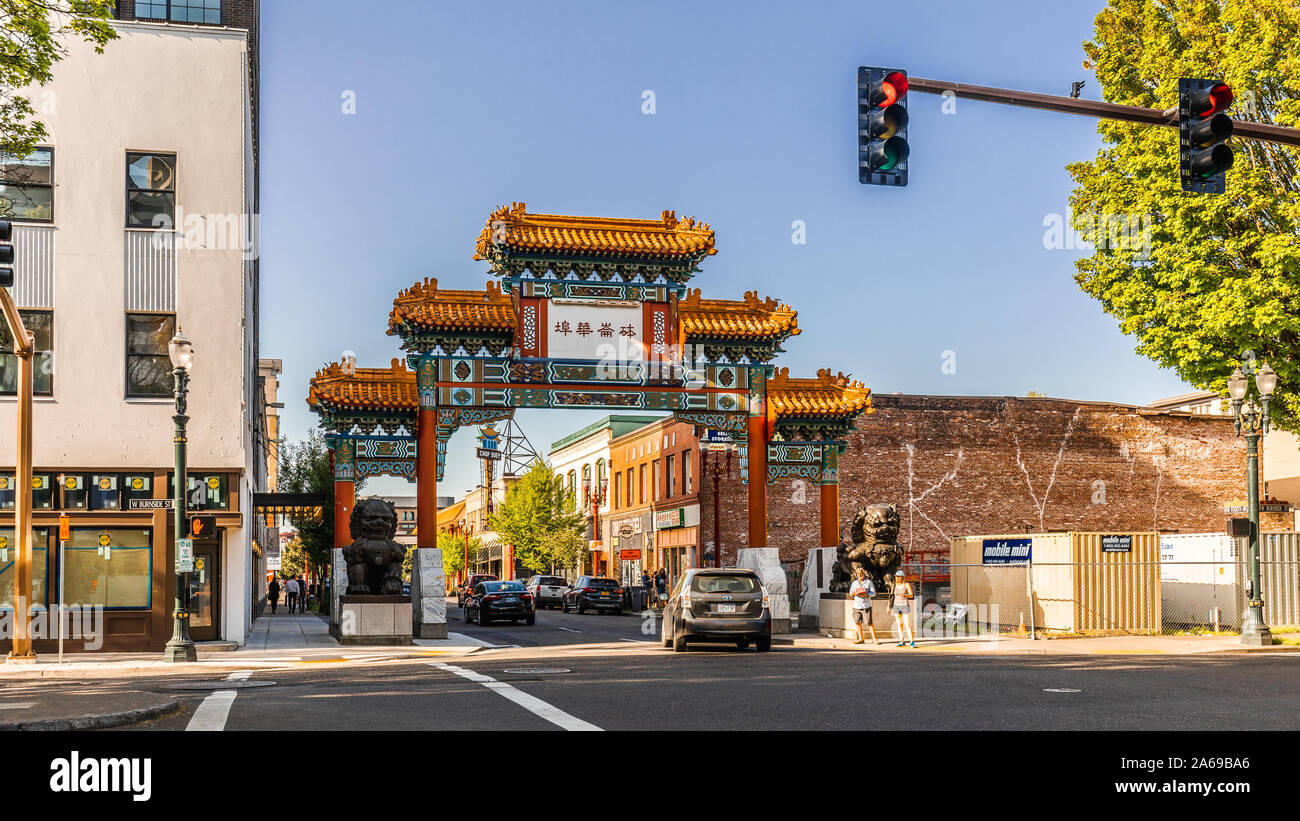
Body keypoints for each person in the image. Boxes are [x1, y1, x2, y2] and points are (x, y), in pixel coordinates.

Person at [849, 567, 878, 645]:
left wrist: (866, 594)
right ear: (856, 575)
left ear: (864, 573)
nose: (860, 575)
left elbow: (874, 593)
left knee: (869, 623)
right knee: (857, 622)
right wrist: (854, 593)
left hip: (866, 605)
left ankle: (874, 639)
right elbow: (851, 593)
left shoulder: (869, 582)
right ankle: (861, 638)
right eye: (858, 574)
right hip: (856, 606)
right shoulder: (854, 583)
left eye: (861, 573)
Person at [890, 569, 915, 647]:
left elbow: (911, 595)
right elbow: (891, 597)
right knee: (899, 624)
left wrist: (906, 595)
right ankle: (902, 641)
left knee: (907, 625)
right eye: (896, 577)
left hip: (904, 606)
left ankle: (912, 641)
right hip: (896, 606)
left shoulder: (906, 585)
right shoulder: (894, 586)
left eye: (899, 577)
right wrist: (889, 606)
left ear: (902, 577)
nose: (897, 578)